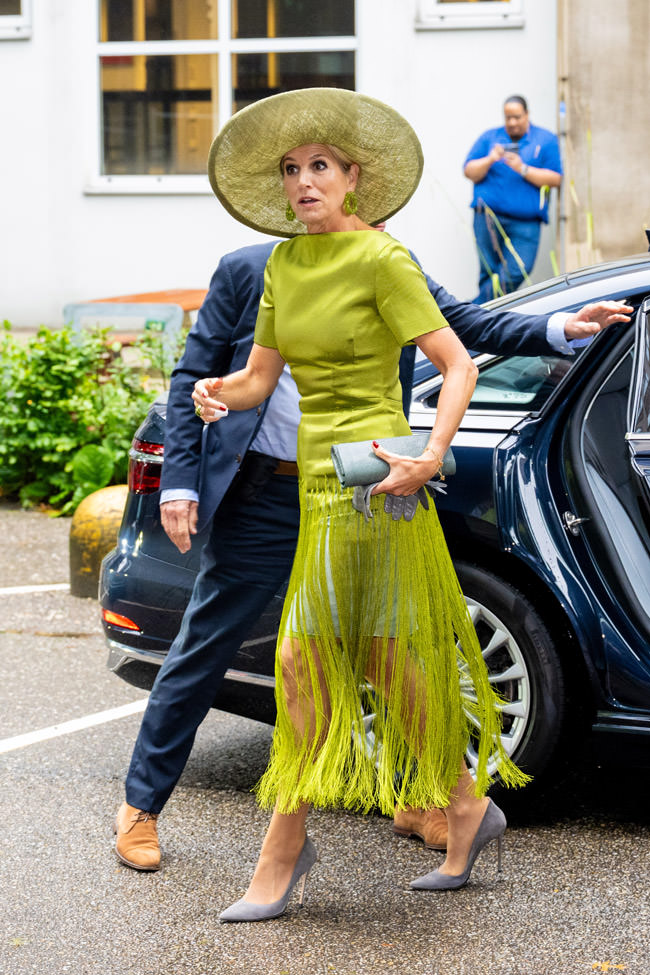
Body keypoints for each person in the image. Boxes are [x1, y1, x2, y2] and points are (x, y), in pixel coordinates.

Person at [114, 203, 632, 880]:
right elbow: (196, 376)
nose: (369, 226)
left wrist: (563, 324)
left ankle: (420, 798)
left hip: (358, 488)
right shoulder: (251, 271)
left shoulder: (391, 265)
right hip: (269, 492)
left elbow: (468, 326)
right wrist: (179, 483)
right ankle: (141, 804)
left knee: (387, 646)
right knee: (208, 641)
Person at [192, 85, 547, 922]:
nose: (305, 181)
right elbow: (259, 380)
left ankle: (282, 851)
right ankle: (466, 807)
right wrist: (215, 392)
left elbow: (455, 364)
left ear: (354, 178)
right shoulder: (283, 264)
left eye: (321, 166)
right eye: (291, 169)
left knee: (299, 664)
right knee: (388, 665)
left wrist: (429, 456)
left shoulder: (384, 261)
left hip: (378, 482)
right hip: (318, 486)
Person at [464, 95, 562, 303]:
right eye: (508, 117)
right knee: (488, 271)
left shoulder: (545, 140)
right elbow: (470, 171)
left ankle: (474, 310)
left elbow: (555, 178)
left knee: (518, 269)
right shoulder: (490, 138)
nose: (512, 122)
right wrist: (491, 158)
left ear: (527, 115)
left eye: (517, 117)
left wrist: (522, 168)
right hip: (487, 217)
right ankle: (488, 320)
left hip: (526, 222)